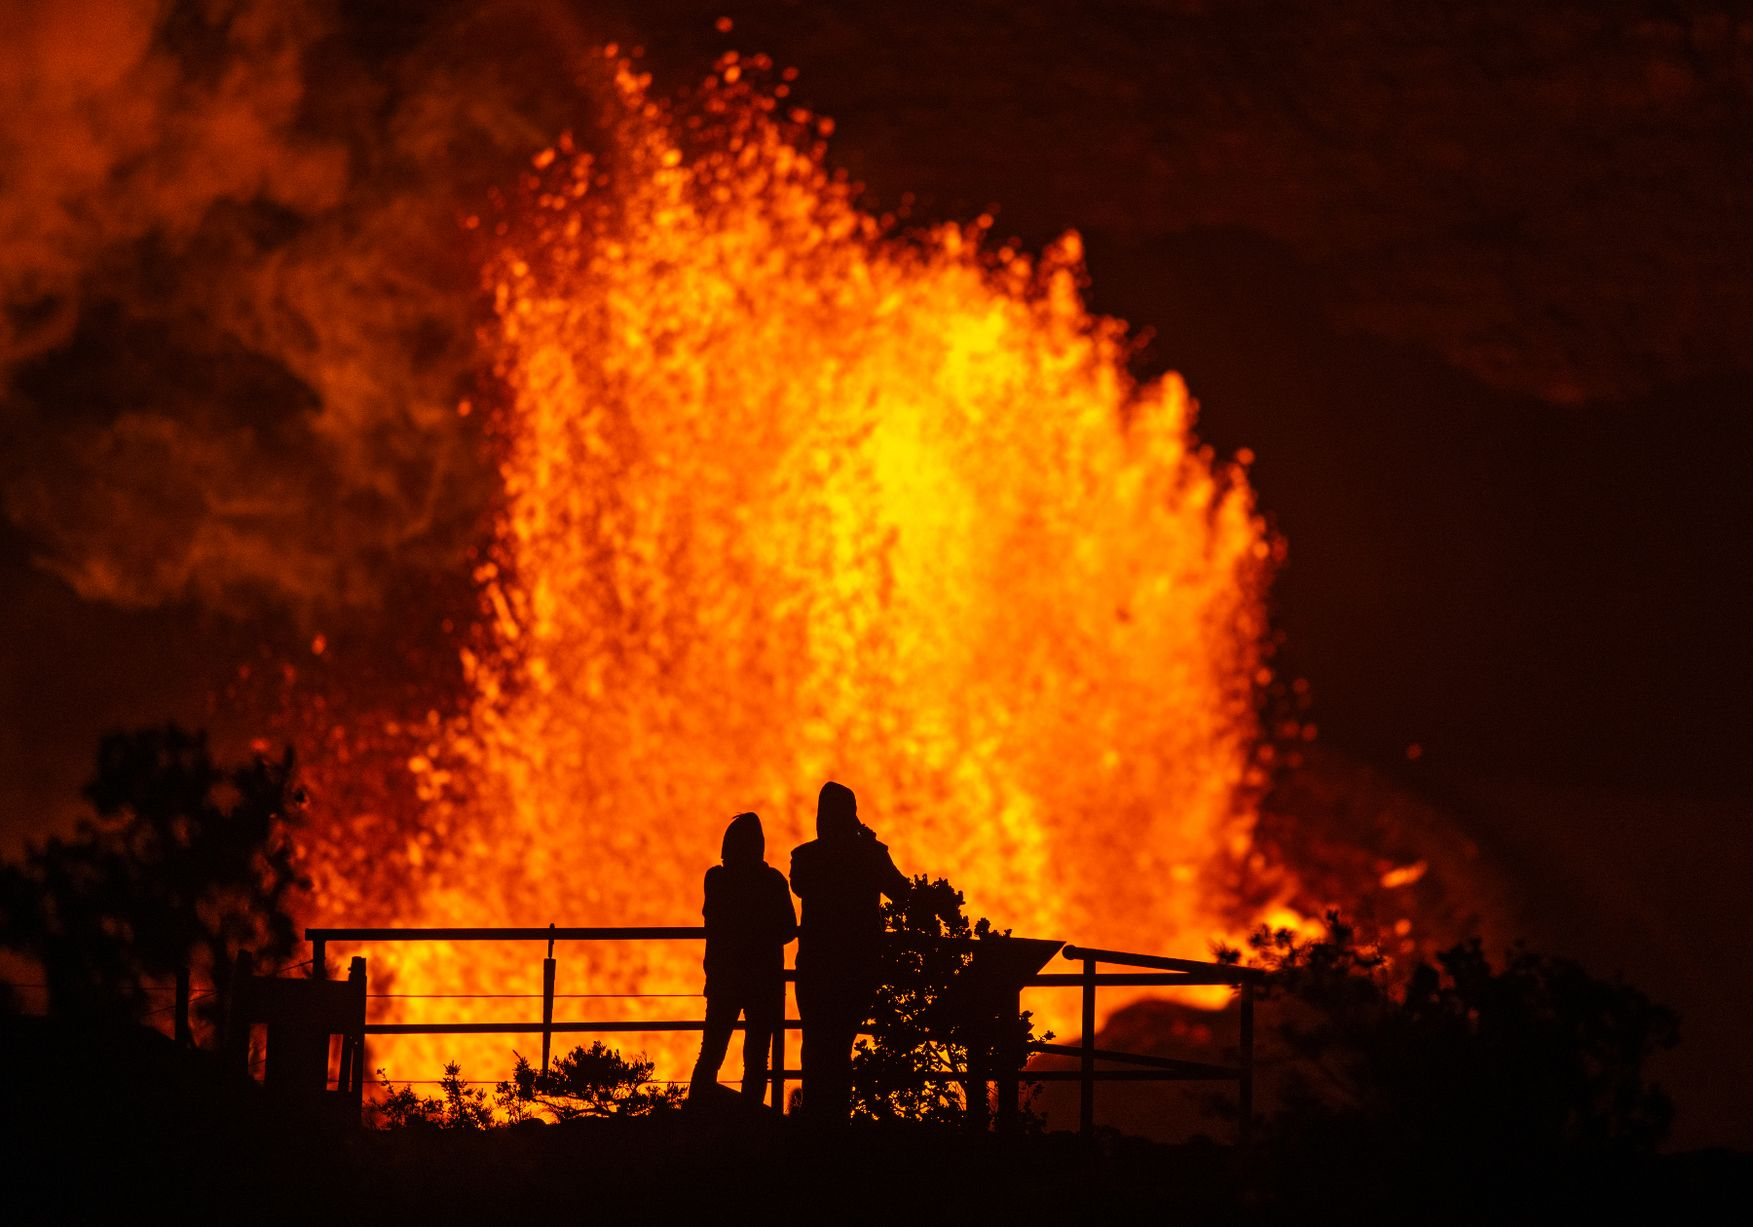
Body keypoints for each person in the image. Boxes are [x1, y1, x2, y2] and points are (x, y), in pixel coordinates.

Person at [789, 781, 910, 1123]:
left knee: (815, 1043)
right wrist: (871, 845)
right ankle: (836, 1117)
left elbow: (801, 884)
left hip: (816, 965)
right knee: (840, 1044)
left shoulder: (806, 857)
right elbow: (901, 893)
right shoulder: (869, 855)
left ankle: (816, 1117)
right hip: (857, 965)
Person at [689, 811, 797, 1105]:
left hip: (725, 978)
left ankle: (696, 1111)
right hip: (763, 981)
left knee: (711, 1052)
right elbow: (789, 929)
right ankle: (750, 1120)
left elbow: (713, 920)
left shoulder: (716, 879)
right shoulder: (772, 881)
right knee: (756, 1059)